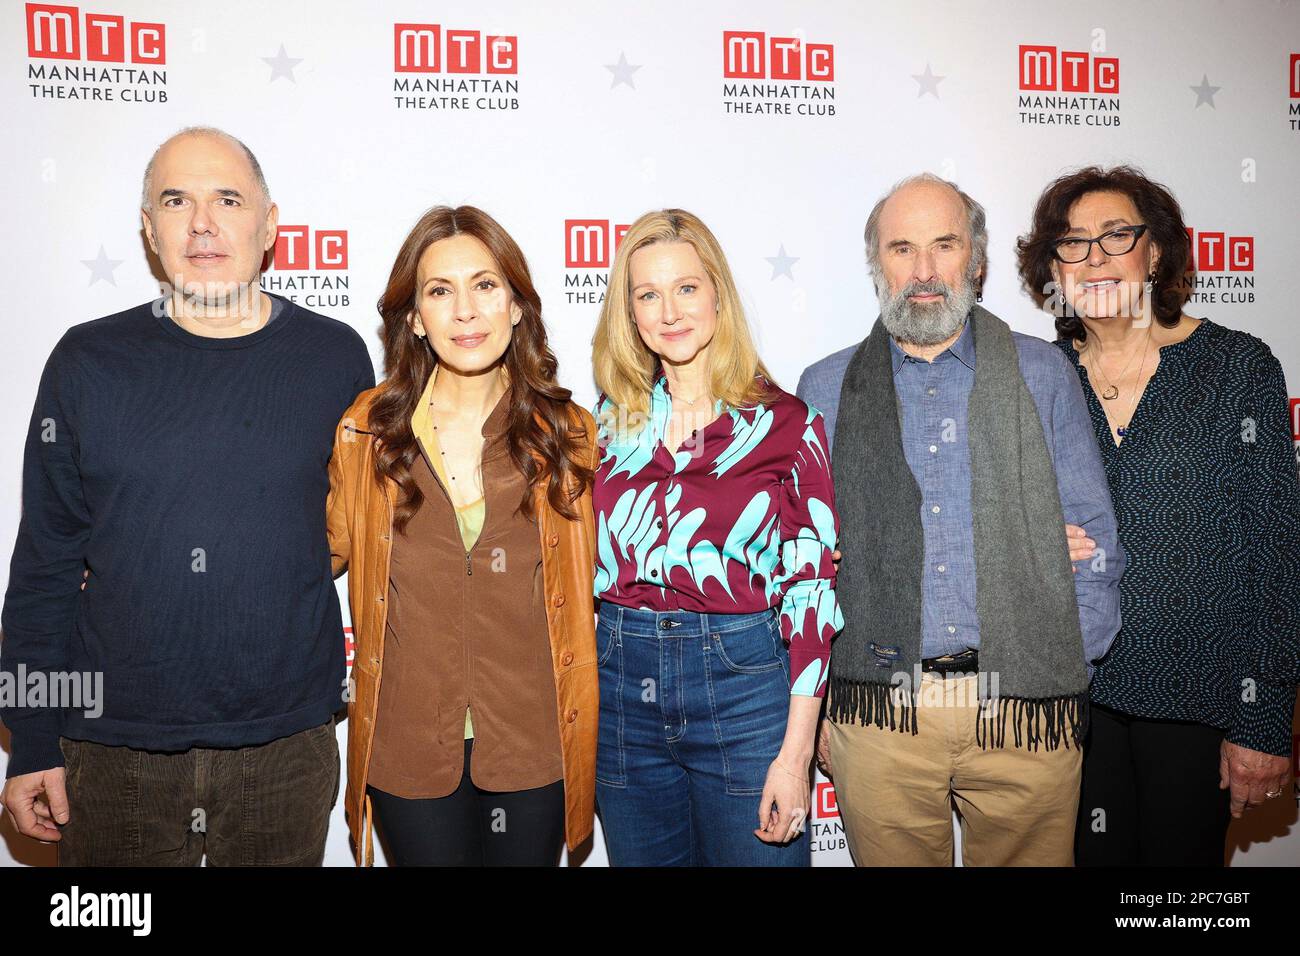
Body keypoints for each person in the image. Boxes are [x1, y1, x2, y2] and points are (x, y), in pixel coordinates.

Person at [0, 126, 374, 865]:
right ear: (148, 229)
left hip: (286, 749)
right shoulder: (86, 361)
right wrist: (30, 740)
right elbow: (45, 563)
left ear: (269, 225)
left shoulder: (336, 358)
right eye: (176, 200)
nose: (202, 221)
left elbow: (357, 535)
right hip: (109, 752)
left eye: (227, 199)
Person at [798, 172, 1124, 866]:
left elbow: (1094, 541)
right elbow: (803, 570)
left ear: (975, 260)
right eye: (901, 248)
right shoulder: (824, 389)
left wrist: (1067, 663)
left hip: (1025, 706)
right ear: (876, 264)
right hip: (881, 712)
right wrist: (825, 703)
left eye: (943, 245)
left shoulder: (1042, 374)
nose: (922, 270)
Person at [1016, 165, 1300, 866]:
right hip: (1071, 703)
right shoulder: (1037, 379)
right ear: (1054, 268)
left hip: (1202, 700)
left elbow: (1277, 554)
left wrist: (1265, 721)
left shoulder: (1238, 368)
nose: (1096, 259)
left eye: (1117, 236)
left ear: (1157, 252)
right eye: (1073, 244)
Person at [327, 205, 600, 866]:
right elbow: (315, 550)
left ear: (515, 305)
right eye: (440, 291)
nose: (466, 311)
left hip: (534, 740)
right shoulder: (367, 430)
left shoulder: (570, 433)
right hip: (410, 742)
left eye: (485, 285)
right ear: (415, 318)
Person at [589, 208, 842, 866]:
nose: (668, 311)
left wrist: (796, 756)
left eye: (686, 288)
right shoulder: (603, 429)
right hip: (621, 686)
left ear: (718, 295)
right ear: (631, 313)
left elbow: (812, 594)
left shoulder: (788, 425)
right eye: (647, 294)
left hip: (745, 687)